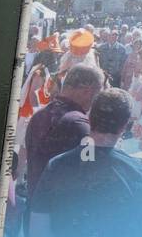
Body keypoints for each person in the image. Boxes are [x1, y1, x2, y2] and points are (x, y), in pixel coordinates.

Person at [31, 88, 142, 237]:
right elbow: (141, 235)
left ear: (89, 117)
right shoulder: (134, 170)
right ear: (124, 127)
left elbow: (38, 231)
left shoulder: (57, 165)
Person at [24, 64, 103, 194]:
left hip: (34, 203)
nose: (95, 101)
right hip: (60, 210)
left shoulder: (39, 115)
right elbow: (90, 173)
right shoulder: (80, 125)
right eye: (97, 94)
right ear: (87, 91)